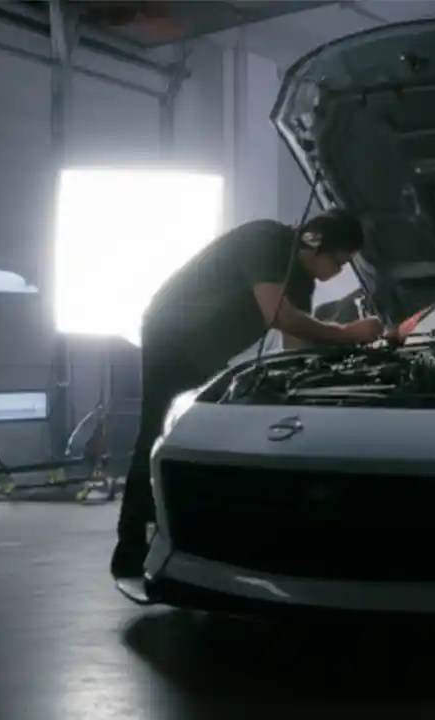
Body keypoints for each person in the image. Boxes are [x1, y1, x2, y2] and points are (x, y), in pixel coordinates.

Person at [110, 208, 384, 579]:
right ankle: (129, 548)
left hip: (204, 348)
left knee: (193, 437)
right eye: (340, 262)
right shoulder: (267, 241)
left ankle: (183, 537)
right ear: (316, 244)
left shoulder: (302, 281)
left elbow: (297, 348)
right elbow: (280, 316)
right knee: (157, 432)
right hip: (172, 334)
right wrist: (349, 333)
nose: (339, 272)